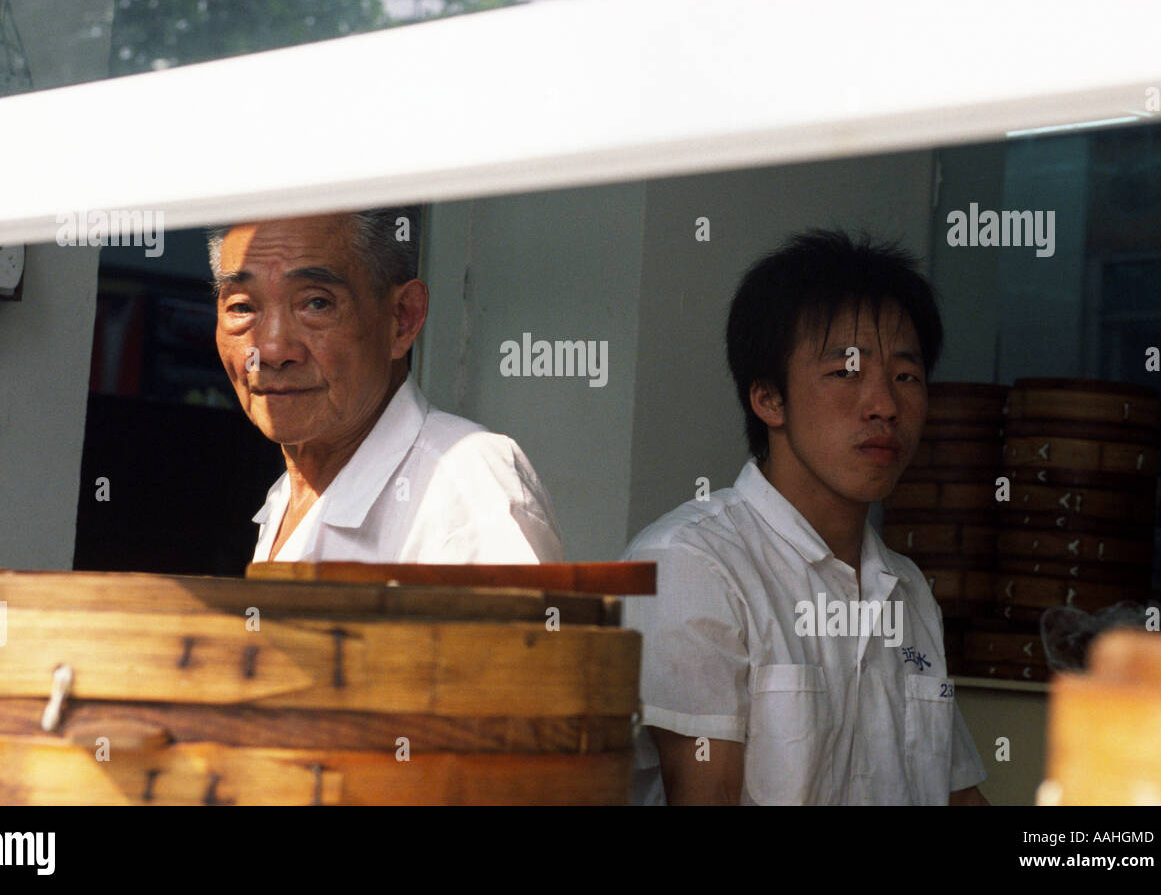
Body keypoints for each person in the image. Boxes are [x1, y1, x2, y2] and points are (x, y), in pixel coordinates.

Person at [623, 229, 987, 805]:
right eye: (846, 371)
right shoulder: (690, 566)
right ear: (768, 399)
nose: (885, 405)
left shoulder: (907, 589)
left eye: (906, 376)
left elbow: (957, 796)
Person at [210, 209, 563, 564]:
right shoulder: (287, 496)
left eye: (316, 303)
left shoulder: (466, 486)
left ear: (403, 319)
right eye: (242, 307)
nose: (271, 351)